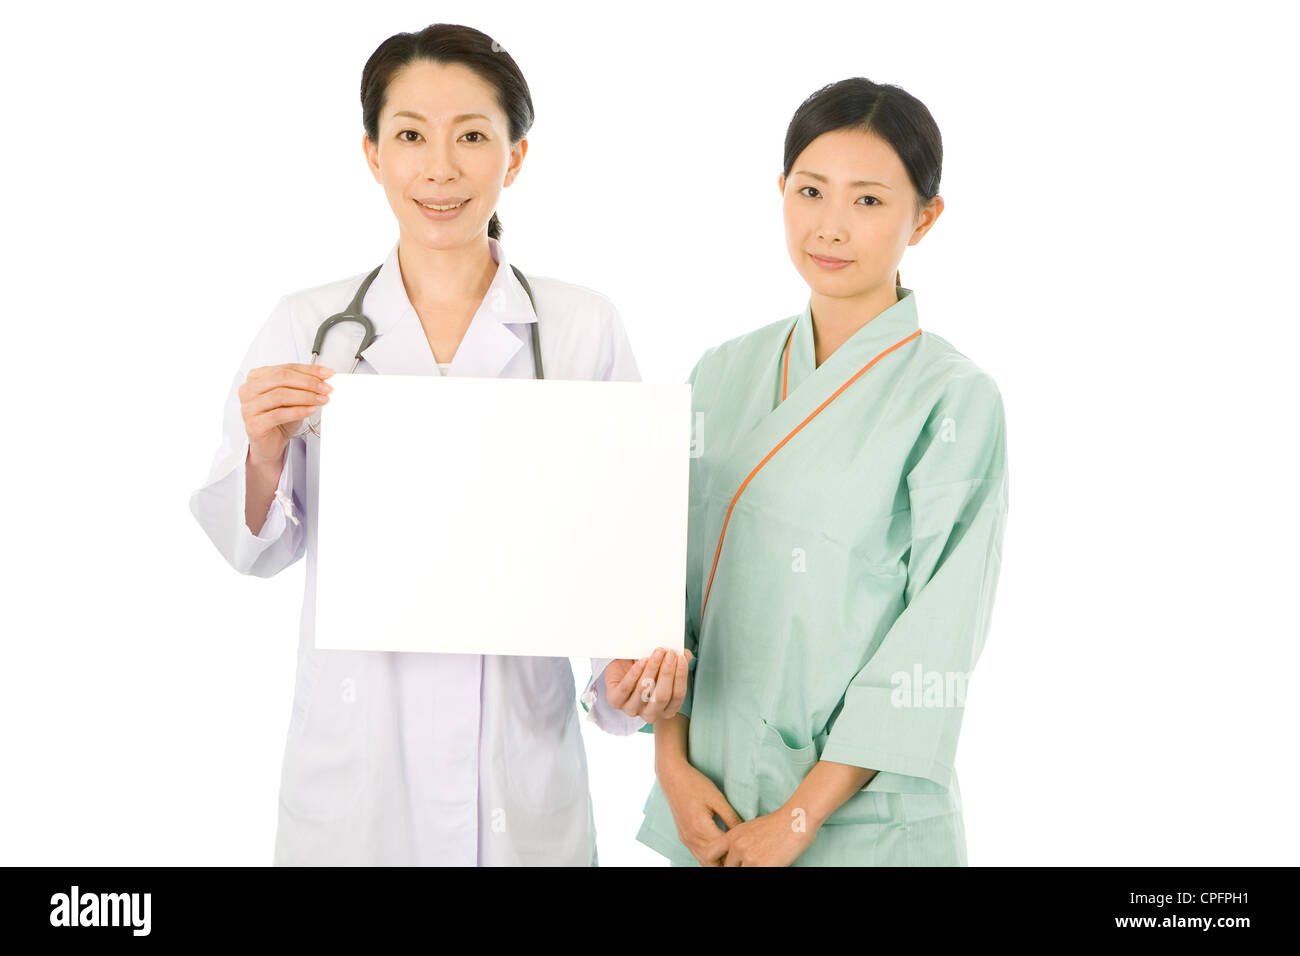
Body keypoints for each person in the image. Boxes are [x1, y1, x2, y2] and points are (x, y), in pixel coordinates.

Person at [189, 22, 687, 866]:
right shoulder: (307, 324)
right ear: (372, 153)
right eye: (411, 136)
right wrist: (265, 448)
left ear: (516, 157)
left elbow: (615, 555)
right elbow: (254, 551)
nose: (440, 169)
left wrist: (626, 683)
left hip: (518, 780)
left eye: (472, 137)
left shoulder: (580, 325)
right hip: (357, 778)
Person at [632, 77, 1009, 866]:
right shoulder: (722, 371)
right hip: (712, 799)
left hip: (859, 824)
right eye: (811, 192)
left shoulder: (952, 398)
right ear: (781, 193)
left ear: (926, 217)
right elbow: (658, 583)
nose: (831, 227)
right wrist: (671, 762)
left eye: (869, 201)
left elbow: (935, 641)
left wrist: (799, 819)